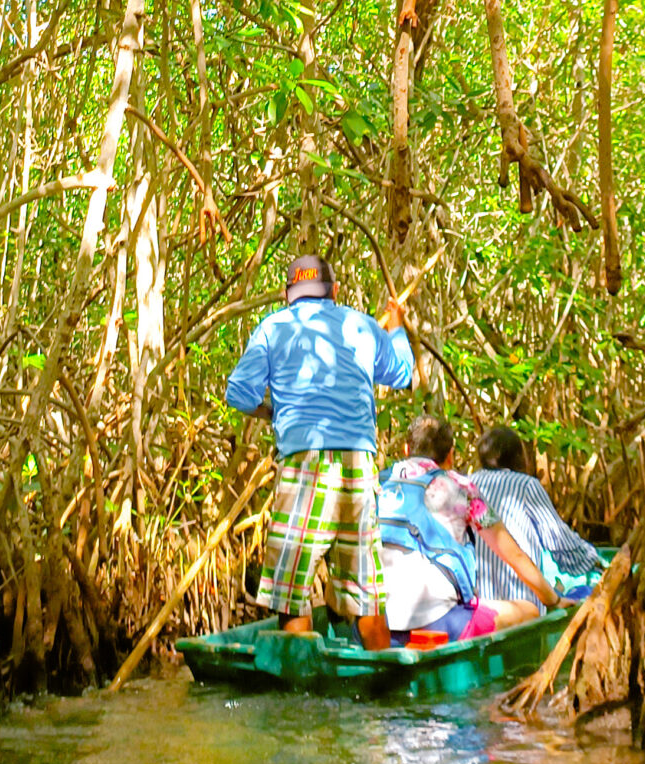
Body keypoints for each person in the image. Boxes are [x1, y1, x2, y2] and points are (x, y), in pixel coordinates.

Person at [225, 252, 414, 650]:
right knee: (366, 591)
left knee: (291, 590)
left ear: (288, 293)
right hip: (358, 465)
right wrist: (396, 328)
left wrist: (275, 411)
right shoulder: (361, 325)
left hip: (304, 463)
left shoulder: (272, 328)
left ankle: (302, 697)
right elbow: (403, 374)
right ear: (335, 291)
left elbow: (238, 394)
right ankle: (382, 690)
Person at [378, 415, 551, 642]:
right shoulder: (460, 487)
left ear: (406, 448)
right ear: (450, 456)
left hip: (380, 621)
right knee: (529, 611)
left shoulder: (379, 484)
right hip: (441, 621)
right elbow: (512, 553)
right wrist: (552, 600)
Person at [471, 421, 606, 608]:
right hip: (522, 604)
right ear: (517, 456)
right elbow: (560, 541)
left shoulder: (466, 484)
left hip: (478, 606)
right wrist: (595, 560)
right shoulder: (526, 486)